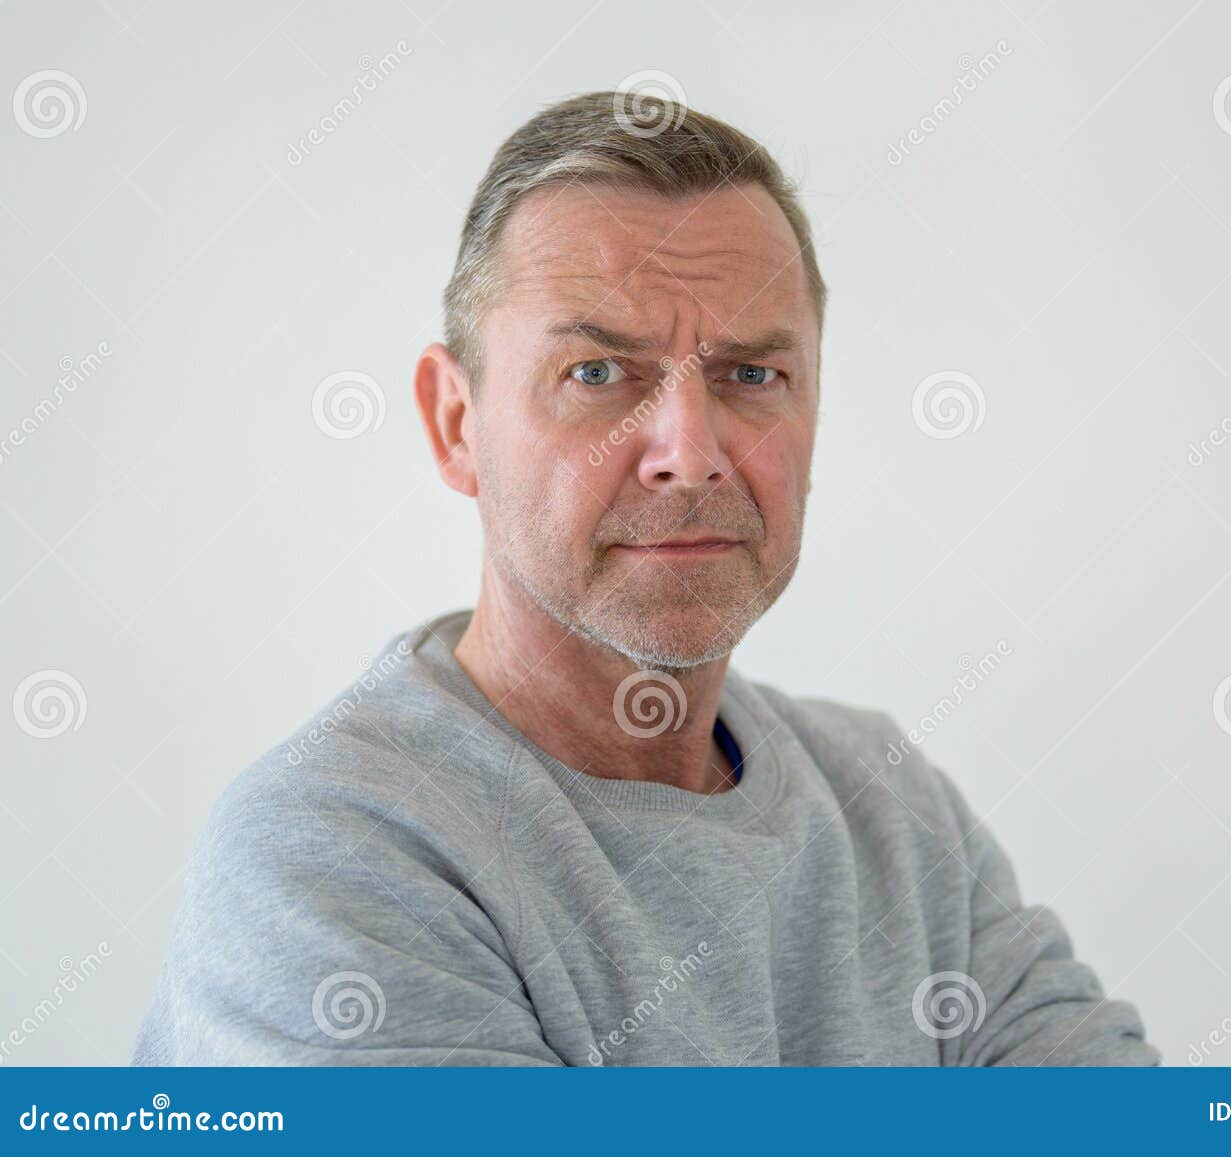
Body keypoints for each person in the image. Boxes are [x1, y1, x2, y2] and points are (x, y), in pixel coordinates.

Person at [132, 91, 1158, 1066]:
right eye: (596, 372)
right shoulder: (334, 853)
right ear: (457, 425)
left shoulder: (892, 809)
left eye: (751, 374)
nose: (689, 449)